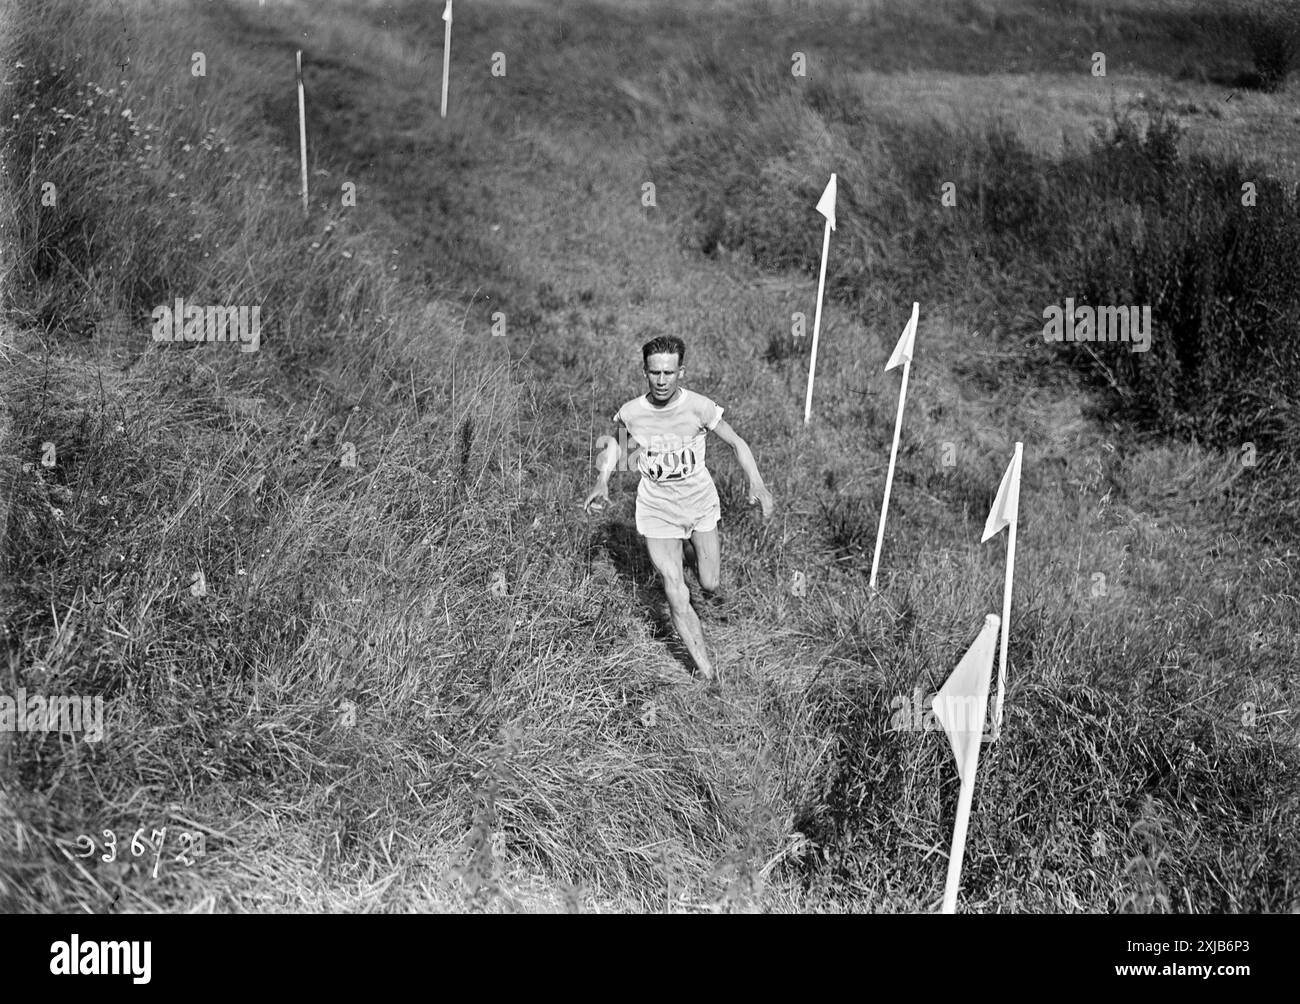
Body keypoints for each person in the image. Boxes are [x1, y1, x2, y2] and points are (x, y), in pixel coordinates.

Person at [583, 336, 774, 683]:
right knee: (674, 587)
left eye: (668, 373)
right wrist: (602, 481)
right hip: (657, 510)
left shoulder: (699, 407)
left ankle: (691, 550)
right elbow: (618, 450)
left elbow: (736, 442)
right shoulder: (632, 412)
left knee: (709, 582)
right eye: (654, 372)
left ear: (681, 372)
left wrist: (756, 482)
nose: (661, 380)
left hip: (699, 505)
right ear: (644, 371)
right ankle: (707, 671)